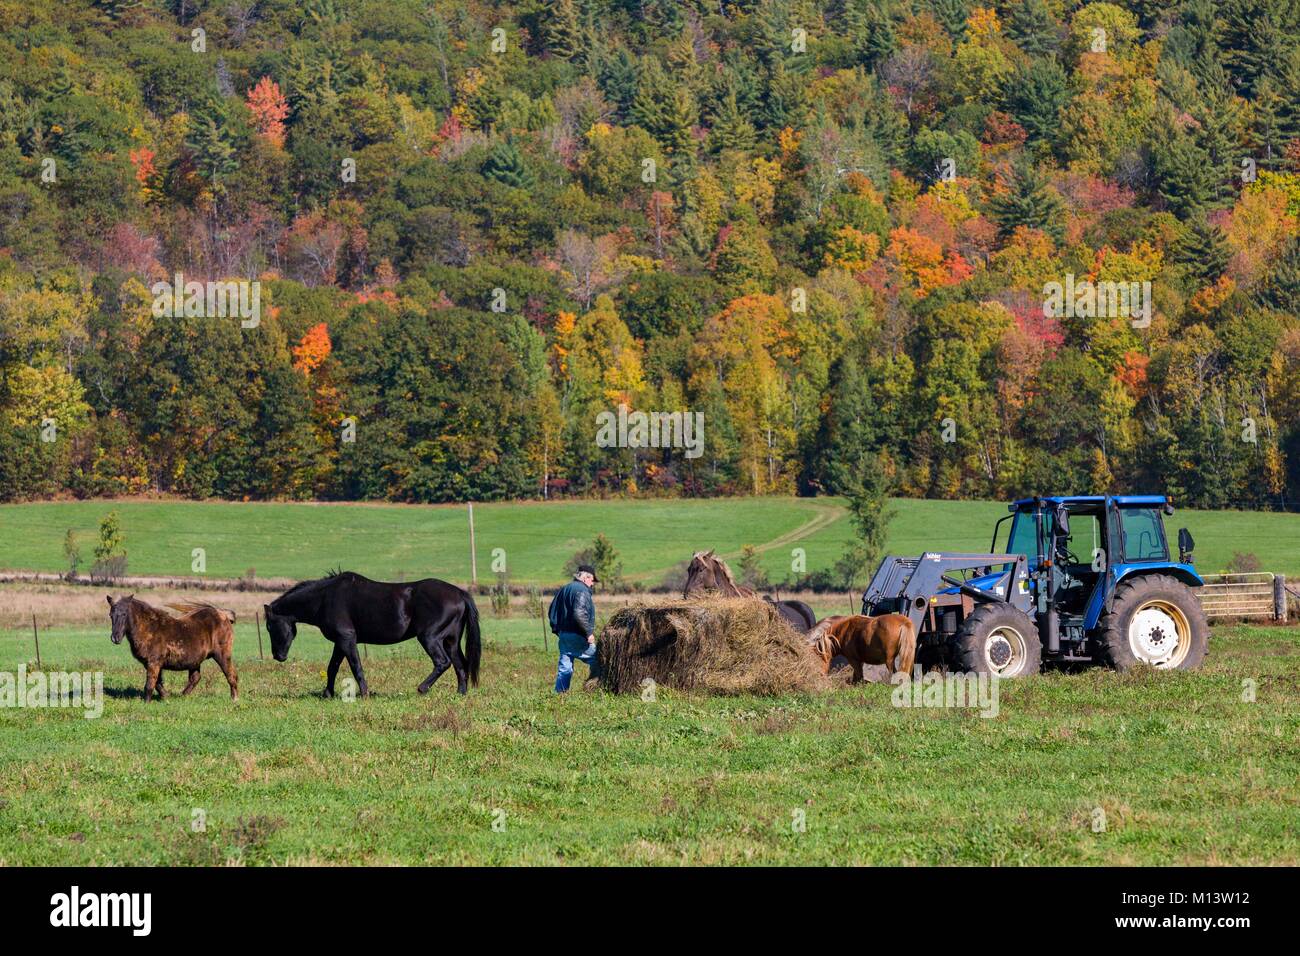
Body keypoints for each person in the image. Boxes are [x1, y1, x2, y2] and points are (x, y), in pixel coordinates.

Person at [548, 565, 600, 692]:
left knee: (565, 667)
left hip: (564, 635)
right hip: (577, 634)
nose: (592, 584)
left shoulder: (565, 589)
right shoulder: (582, 590)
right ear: (585, 577)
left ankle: (560, 694)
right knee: (599, 660)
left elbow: (551, 611)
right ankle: (597, 688)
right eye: (592, 580)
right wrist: (588, 633)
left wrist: (558, 630)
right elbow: (579, 613)